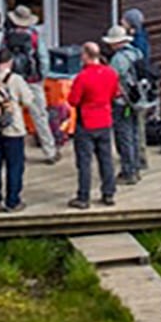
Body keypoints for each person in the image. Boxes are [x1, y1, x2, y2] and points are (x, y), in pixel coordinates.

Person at [0, 48, 44, 212]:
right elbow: (28, 101)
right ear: (11, 62)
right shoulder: (15, 79)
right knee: (15, 166)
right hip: (13, 129)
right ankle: (12, 201)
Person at [65, 41, 119, 210]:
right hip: (105, 120)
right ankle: (108, 193)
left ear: (86, 56)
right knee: (106, 159)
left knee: (84, 162)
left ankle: (83, 197)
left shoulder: (82, 77)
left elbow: (73, 100)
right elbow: (114, 93)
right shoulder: (111, 73)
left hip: (86, 122)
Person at [102, 24, 146, 184]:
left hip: (123, 102)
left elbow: (110, 81)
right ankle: (137, 165)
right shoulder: (136, 52)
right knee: (135, 133)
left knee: (124, 136)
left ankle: (128, 172)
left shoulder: (118, 59)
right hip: (139, 100)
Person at [3, 5, 43, 83]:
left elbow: (0, 53)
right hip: (30, 78)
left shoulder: (8, 35)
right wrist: (41, 76)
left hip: (10, 78)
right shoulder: (34, 35)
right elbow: (43, 58)